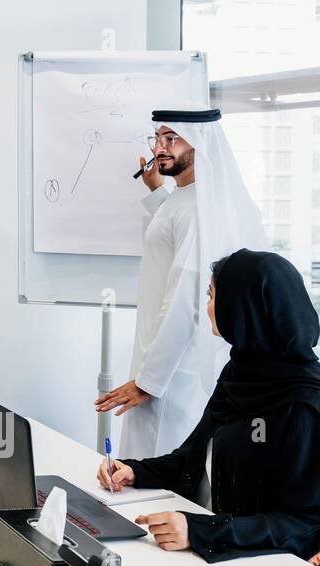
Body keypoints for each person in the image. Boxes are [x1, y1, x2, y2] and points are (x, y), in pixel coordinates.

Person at [98, 249, 320, 566]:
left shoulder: (305, 404)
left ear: (242, 309)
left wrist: (198, 531)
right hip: (236, 555)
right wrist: (133, 471)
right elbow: (193, 458)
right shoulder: (242, 372)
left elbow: (303, 523)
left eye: (212, 296)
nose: (208, 306)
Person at [95, 106, 266, 459]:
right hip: (158, 361)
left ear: (199, 143)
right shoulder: (187, 200)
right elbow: (171, 228)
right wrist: (157, 191)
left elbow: (186, 299)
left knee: (158, 471)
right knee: (143, 468)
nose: (161, 147)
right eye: (158, 138)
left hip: (171, 373)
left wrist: (149, 381)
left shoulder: (198, 209)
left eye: (172, 139)